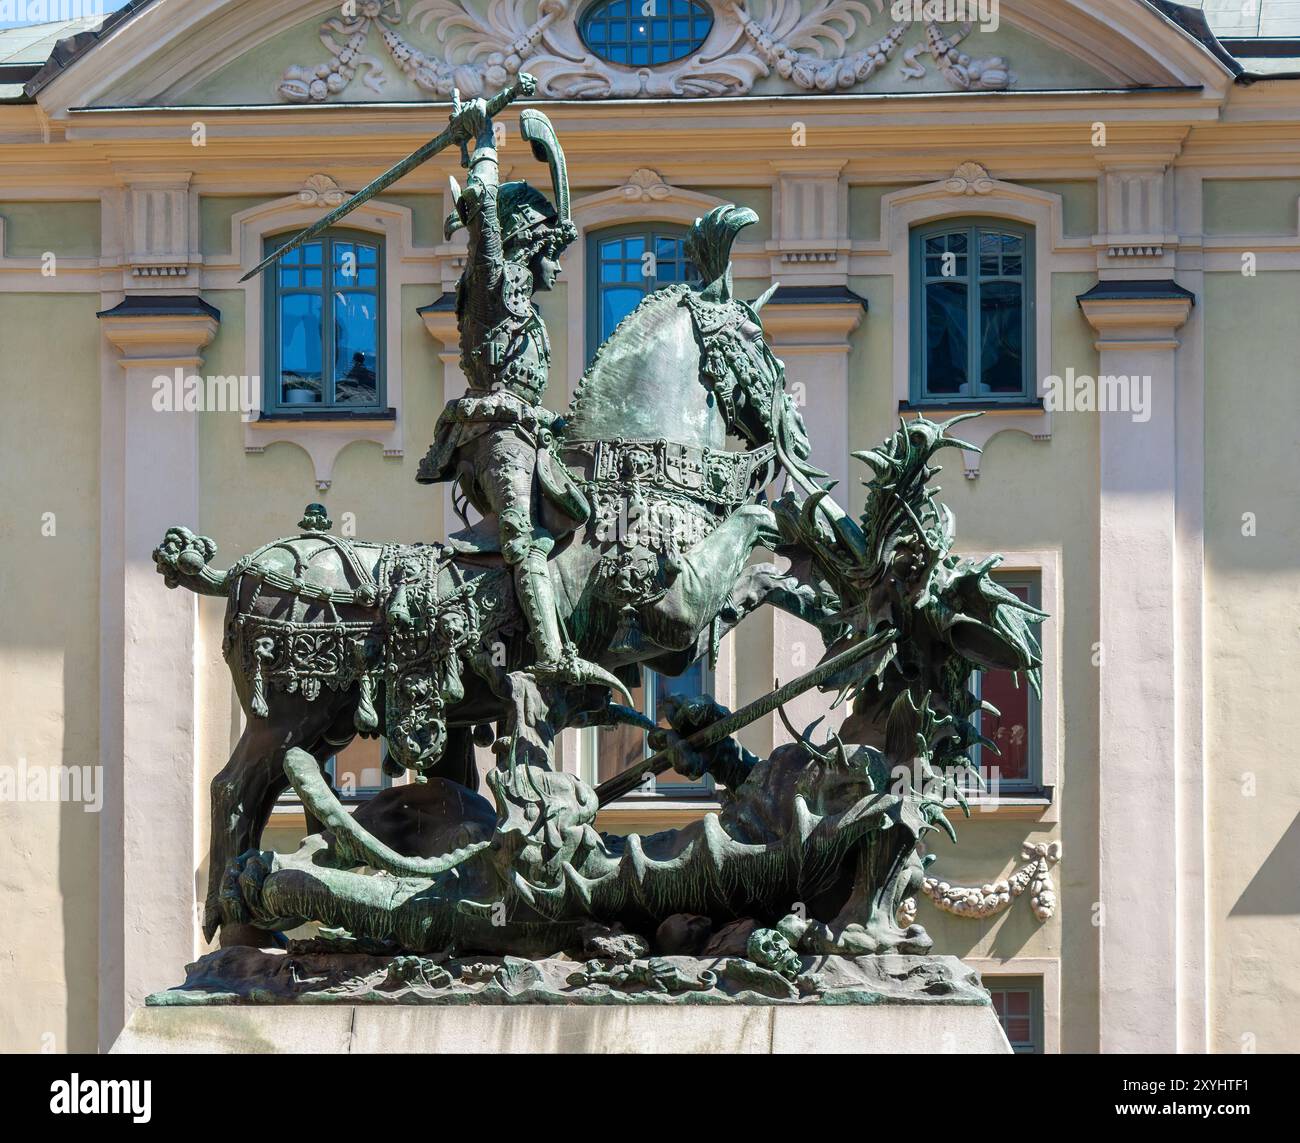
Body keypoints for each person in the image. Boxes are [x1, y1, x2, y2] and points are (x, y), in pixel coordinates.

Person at [416, 96, 622, 697]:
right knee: (522, 539)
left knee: (581, 523)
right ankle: (554, 656)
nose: (559, 267)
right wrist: (482, 146)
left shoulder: (525, 311)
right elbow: (483, 210)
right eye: (552, 252)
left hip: (528, 435)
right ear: (528, 245)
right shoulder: (493, 295)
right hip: (495, 439)